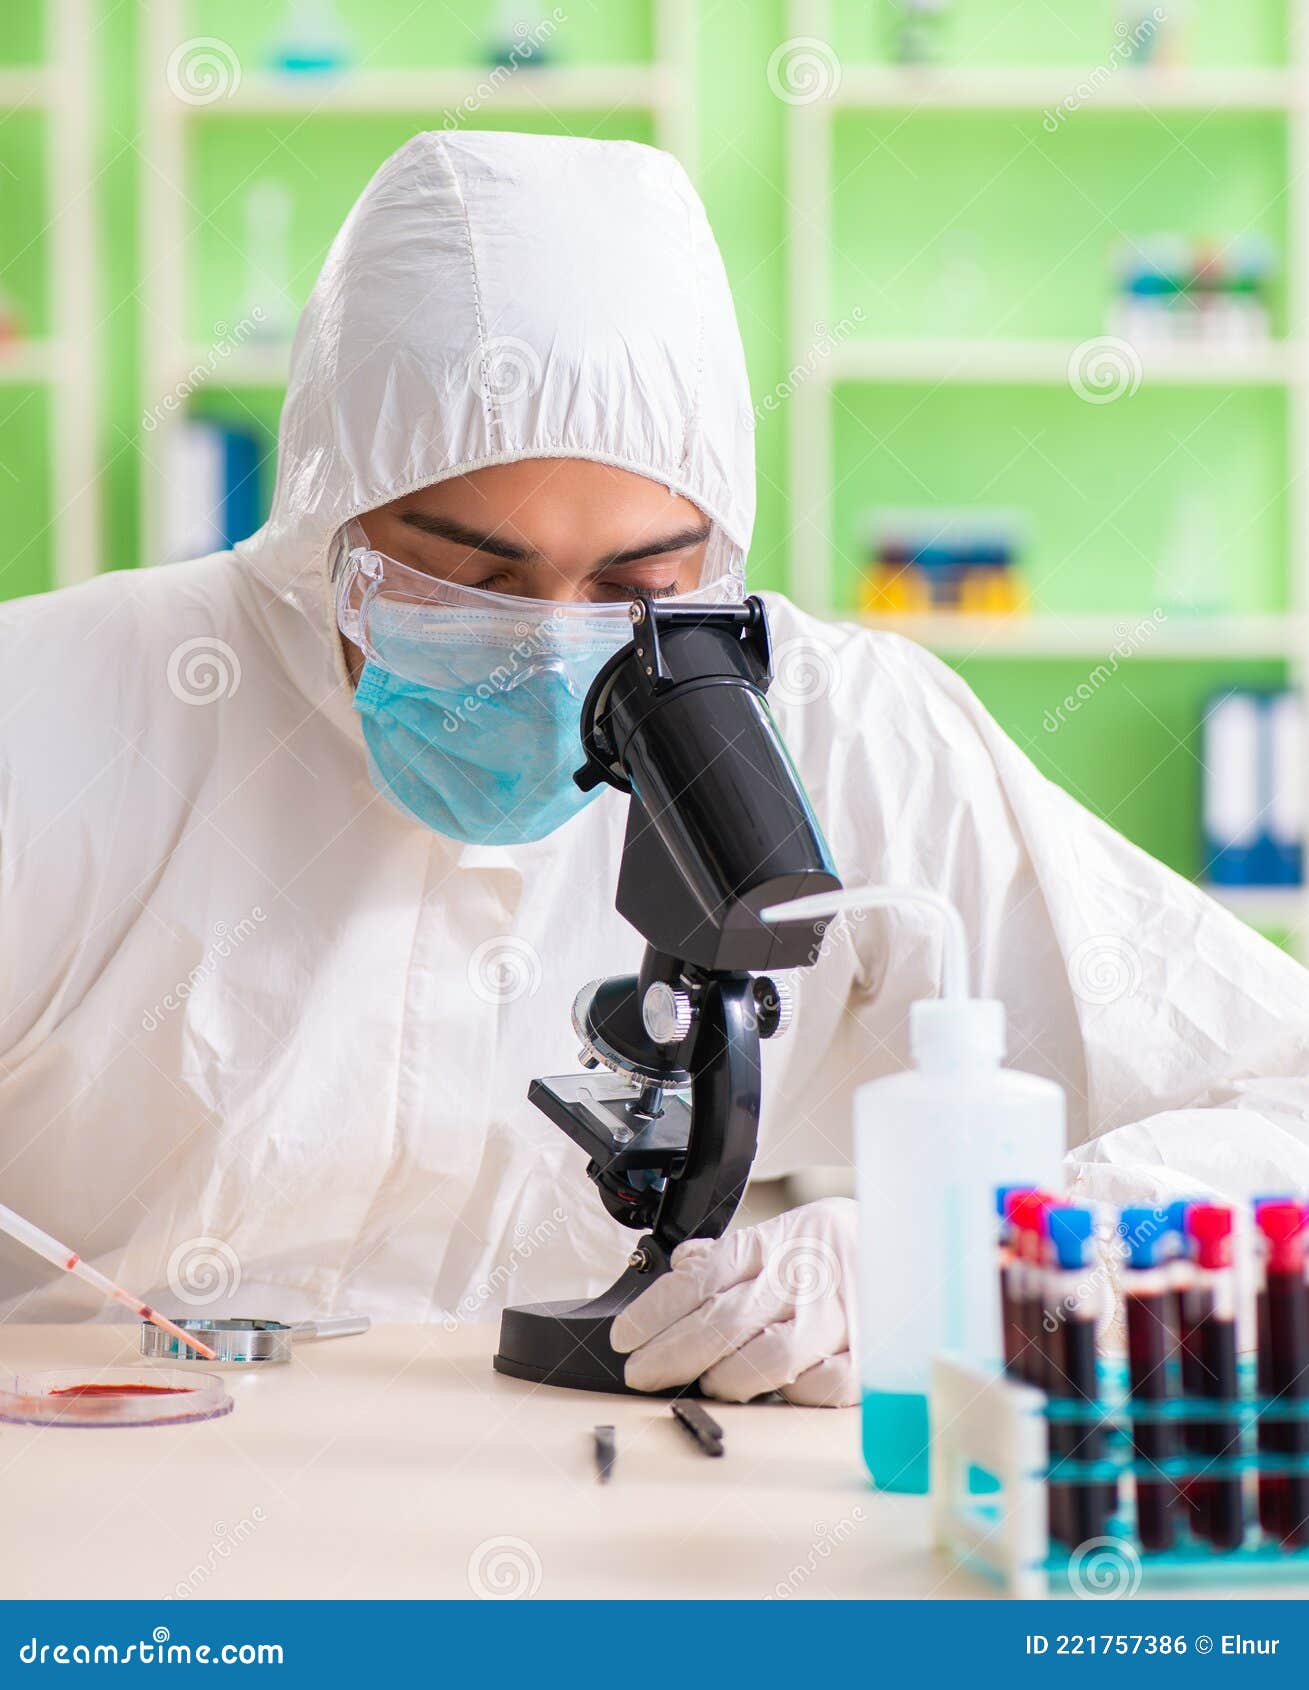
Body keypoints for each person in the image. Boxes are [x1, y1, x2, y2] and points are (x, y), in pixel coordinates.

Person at [2, 132, 1308, 1408]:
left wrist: (951, 1257)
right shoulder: (73, 707)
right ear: (325, 518)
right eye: (467, 580)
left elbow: (1283, 1103)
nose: (548, 648)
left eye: (638, 585)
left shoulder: (834, 729)